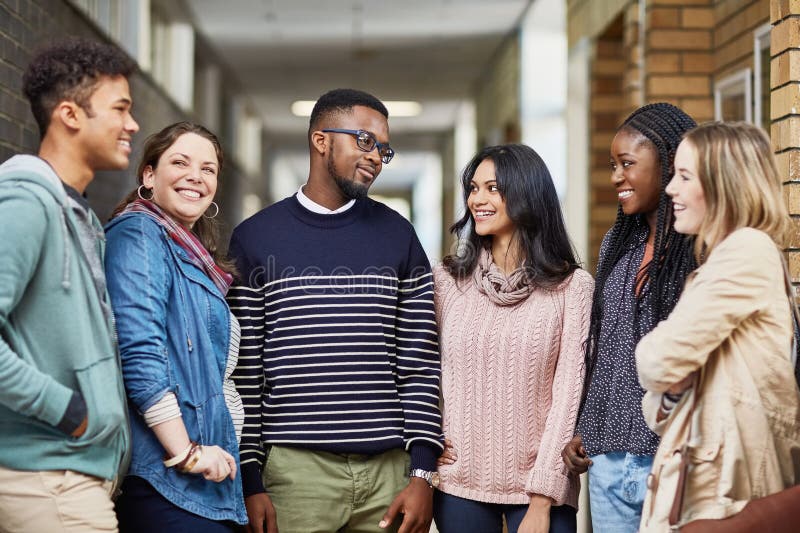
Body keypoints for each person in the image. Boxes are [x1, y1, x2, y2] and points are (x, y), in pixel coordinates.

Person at [227, 88, 444, 533]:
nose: (377, 157)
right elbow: (245, 372)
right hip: (294, 475)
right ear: (321, 140)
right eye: (365, 141)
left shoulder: (398, 235)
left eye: (384, 148)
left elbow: (420, 361)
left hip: (389, 471)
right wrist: (250, 480)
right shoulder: (255, 238)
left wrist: (422, 471)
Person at [0, 39, 138, 532]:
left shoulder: (81, 217)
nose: (132, 124)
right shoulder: (25, 204)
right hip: (46, 477)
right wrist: (67, 411)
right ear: (70, 115)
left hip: (72, 472)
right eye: (119, 109)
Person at [635, 122, 800, 531]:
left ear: (724, 185)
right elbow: (655, 406)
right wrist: (670, 386)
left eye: (685, 176)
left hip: (725, 500)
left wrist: (668, 377)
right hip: (708, 496)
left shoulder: (746, 251)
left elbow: (655, 363)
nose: (671, 189)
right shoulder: (724, 260)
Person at [432, 144, 593, 533]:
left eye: (492, 188)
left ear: (526, 195)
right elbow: (423, 372)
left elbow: (567, 395)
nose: (477, 200)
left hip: (540, 488)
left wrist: (541, 500)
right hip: (459, 483)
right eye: (473, 188)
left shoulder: (572, 289)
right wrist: (429, 438)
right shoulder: (447, 281)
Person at [560, 103, 697, 532]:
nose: (616, 176)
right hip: (609, 462)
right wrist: (587, 424)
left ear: (670, 162)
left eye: (627, 164)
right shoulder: (619, 247)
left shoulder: (702, 250)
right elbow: (607, 351)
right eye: (612, 165)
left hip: (676, 460)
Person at [105, 122, 247, 532]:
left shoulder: (188, 250)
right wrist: (186, 452)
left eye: (208, 169)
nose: (195, 177)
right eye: (180, 162)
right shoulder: (140, 233)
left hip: (208, 480)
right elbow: (139, 352)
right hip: (168, 479)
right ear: (149, 174)